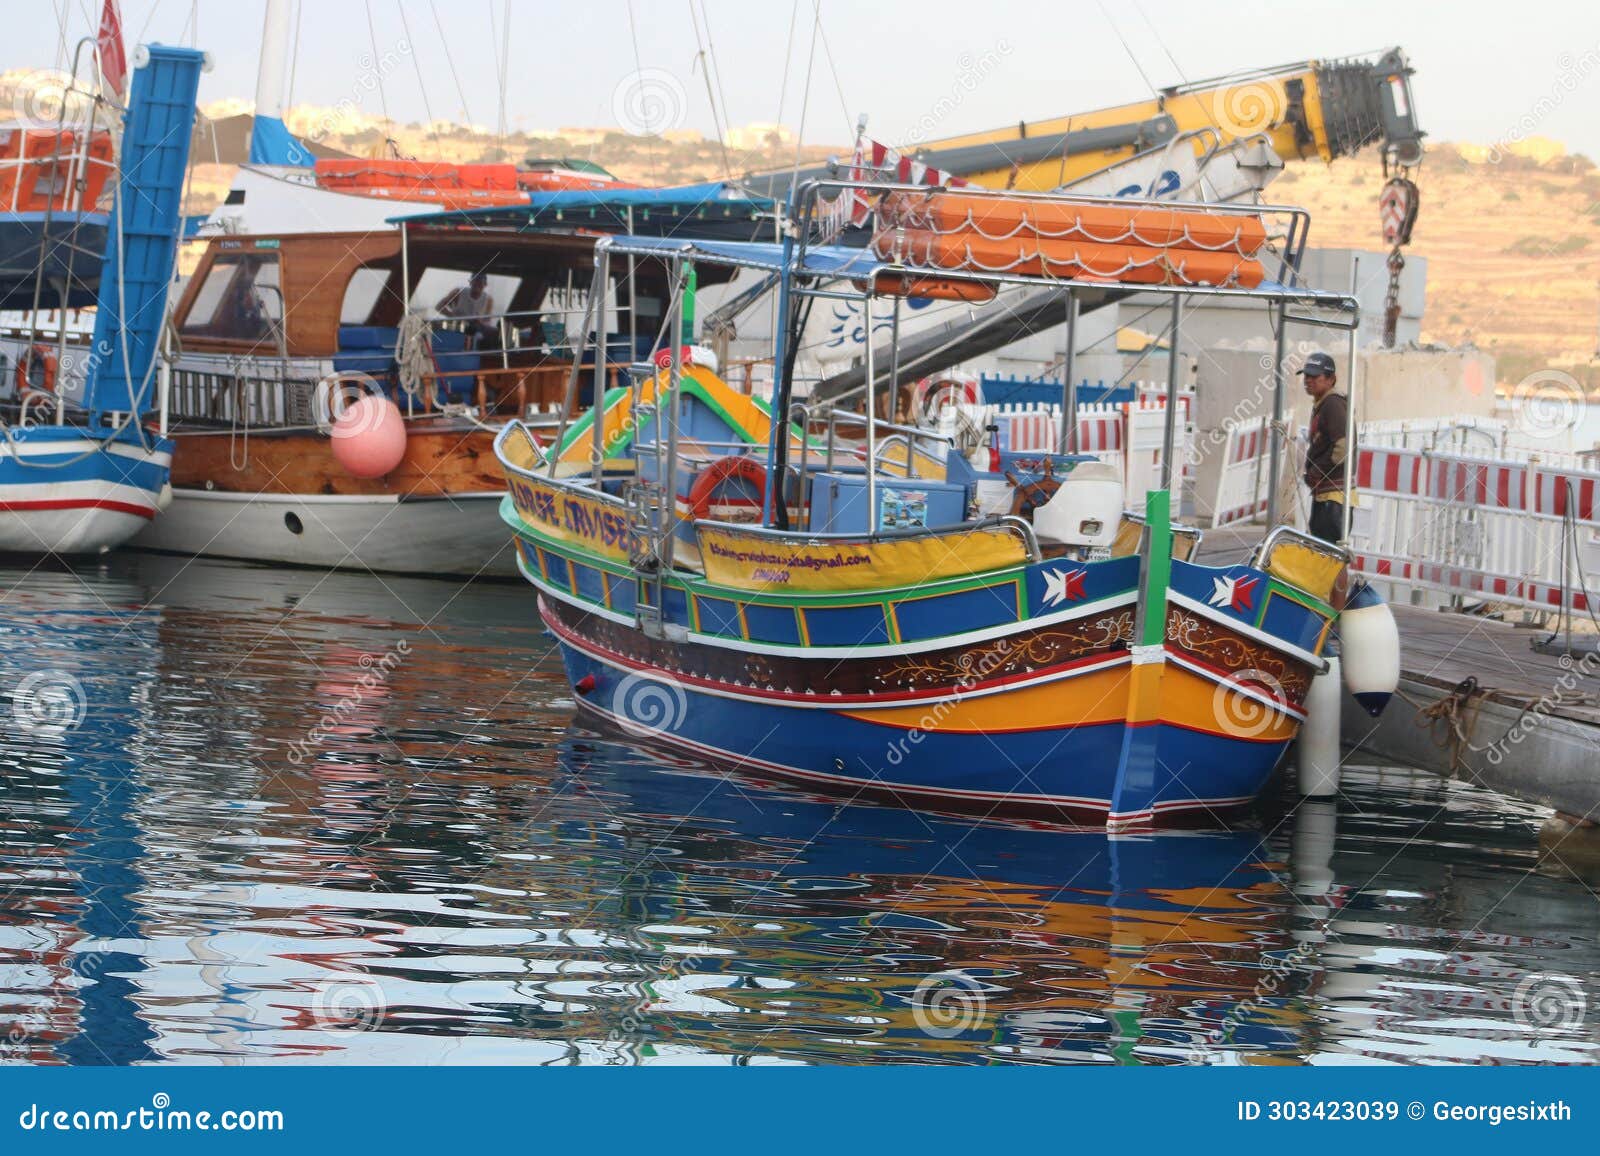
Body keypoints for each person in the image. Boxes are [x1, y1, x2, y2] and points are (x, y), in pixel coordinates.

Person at [1299, 350, 1348, 544]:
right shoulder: (1323, 403)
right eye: (1306, 376)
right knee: (1325, 553)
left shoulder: (1333, 404)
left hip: (1334, 497)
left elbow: (1343, 448)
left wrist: (1319, 471)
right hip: (1325, 494)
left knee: (1329, 555)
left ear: (1331, 379)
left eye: (1314, 376)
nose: (1308, 380)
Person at [435, 271, 497, 348]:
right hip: (457, 326)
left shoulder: (488, 300)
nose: (477, 285)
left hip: (475, 328)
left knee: (493, 333)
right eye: (475, 282)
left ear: (485, 285)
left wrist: (480, 321)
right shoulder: (458, 292)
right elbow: (439, 306)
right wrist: (453, 316)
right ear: (470, 282)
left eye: (480, 283)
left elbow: (487, 320)